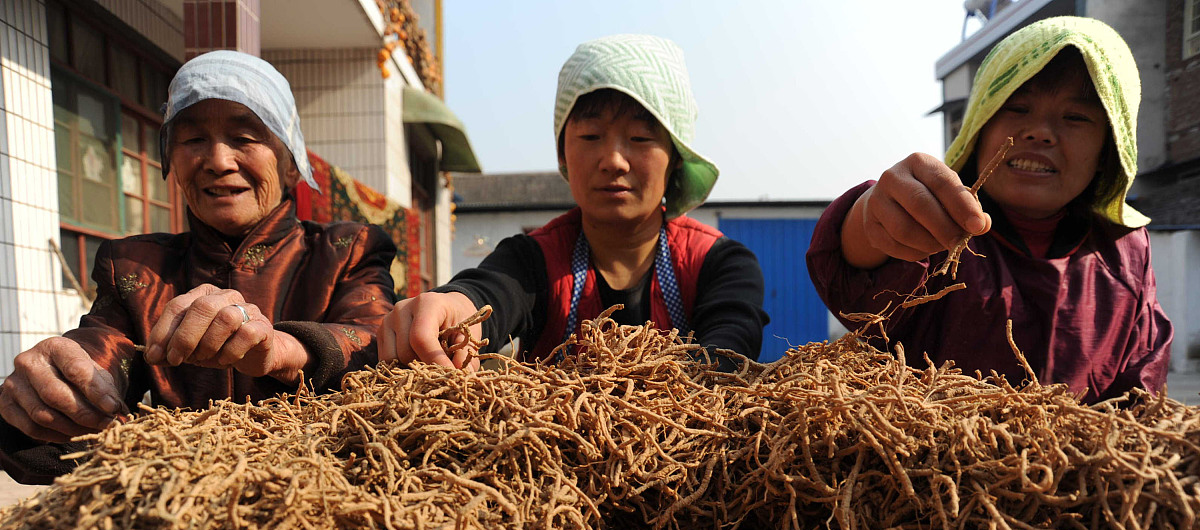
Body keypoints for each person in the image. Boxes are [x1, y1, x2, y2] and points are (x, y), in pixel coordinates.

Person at [0, 50, 396, 483]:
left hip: (319, 492)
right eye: (192, 140)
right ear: (171, 161)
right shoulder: (136, 267)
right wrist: (64, 382)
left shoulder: (345, 251)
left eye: (244, 137)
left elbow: (376, 344)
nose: (219, 161)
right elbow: (106, 345)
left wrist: (281, 350)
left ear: (290, 165)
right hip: (178, 503)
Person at [806, 16, 1173, 404]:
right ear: (978, 128)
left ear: (1109, 150)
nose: (1040, 132)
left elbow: (1142, 384)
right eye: (1017, 107)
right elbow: (855, 280)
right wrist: (871, 216)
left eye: (1076, 117)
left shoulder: (1127, 251)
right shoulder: (936, 220)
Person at [379, 34, 767, 370]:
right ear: (562, 154)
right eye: (590, 136)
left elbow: (728, 349)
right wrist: (454, 310)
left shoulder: (720, 264)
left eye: (640, 138)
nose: (613, 161)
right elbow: (490, 294)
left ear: (676, 158)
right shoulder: (531, 261)